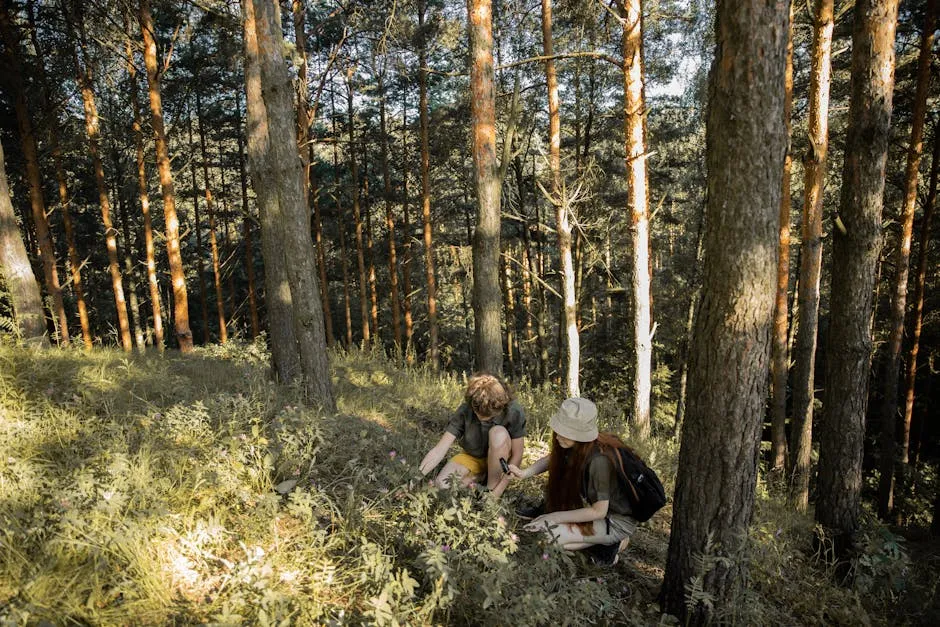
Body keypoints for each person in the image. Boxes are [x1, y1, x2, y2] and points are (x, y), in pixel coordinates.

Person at [508, 397, 637, 565]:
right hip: (594, 511)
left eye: (568, 432)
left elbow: (599, 511)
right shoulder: (574, 445)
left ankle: (614, 543)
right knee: (547, 532)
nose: (560, 436)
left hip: (615, 520)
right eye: (560, 429)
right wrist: (525, 473)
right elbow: (552, 459)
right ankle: (599, 540)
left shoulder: (599, 461)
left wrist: (553, 517)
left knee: (548, 537)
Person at [419, 373, 525, 499]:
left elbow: (517, 455)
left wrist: (498, 490)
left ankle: (489, 489)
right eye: (478, 414)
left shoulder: (514, 411)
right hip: (473, 457)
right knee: (441, 485)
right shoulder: (465, 410)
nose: (482, 420)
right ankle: (479, 476)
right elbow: (439, 450)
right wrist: (414, 480)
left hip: (501, 461)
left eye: (489, 417)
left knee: (498, 433)